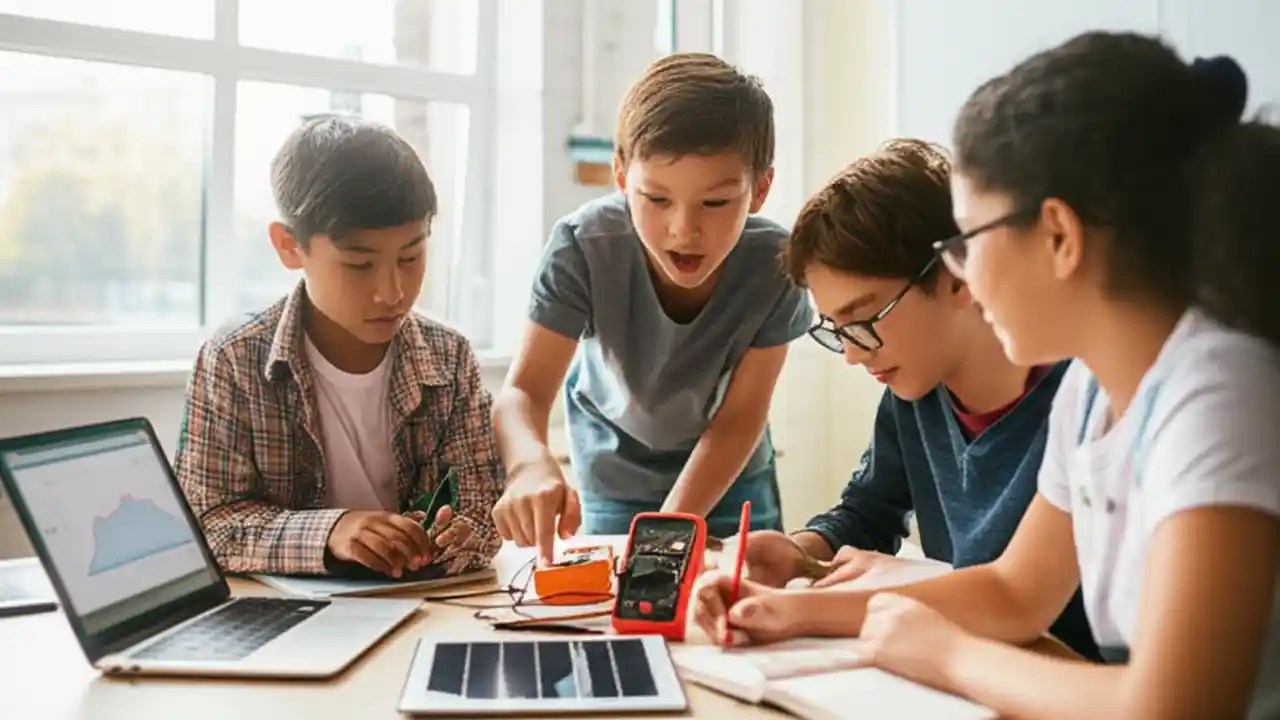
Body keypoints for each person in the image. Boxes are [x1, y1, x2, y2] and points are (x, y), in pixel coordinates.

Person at [695, 34, 1280, 719]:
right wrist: (793, 612)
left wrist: (949, 656)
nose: (962, 274)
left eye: (969, 241)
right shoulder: (1093, 393)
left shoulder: (1219, 393)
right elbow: (1013, 591)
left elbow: (1179, 705)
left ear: (1058, 236)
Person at [731, 139, 1095, 658]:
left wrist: (802, 611)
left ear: (955, 277)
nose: (854, 356)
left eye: (865, 321)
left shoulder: (1082, 399)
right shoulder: (913, 390)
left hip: (1069, 675)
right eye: (837, 330)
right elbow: (867, 511)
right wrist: (800, 554)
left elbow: (1015, 597)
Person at [490, 52, 811, 562]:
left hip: (730, 477)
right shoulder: (582, 247)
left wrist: (672, 526)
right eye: (656, 199)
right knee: (627, 603)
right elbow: (523, 392)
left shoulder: (777, 266)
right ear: (620, 175)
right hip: (615, 477)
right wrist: (529, 462)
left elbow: (741, 418)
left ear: (760, 190)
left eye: (715, 203)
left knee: (742, 605)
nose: (683, 229)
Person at [176, 116, 503, 577]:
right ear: (289, 246)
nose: (392, 292)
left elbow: (481, 502)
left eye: (411, 257)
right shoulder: (233, 359)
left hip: (424, 604)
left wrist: (465, 533)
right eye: (359, 264)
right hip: (285, 618)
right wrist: (332, 531)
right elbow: (205, 523)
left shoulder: (449, 358)